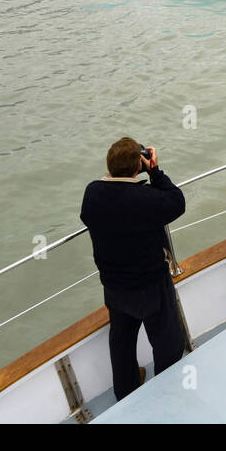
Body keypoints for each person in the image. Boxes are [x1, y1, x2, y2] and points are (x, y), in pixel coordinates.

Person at [80, 136, 187, 401]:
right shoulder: (146, 199)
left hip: (115, 286)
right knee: (168, 343)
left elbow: (89, 214)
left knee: (122, 343)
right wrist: (155, 171)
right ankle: (166, 390)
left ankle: (126, 392)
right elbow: (177, 202)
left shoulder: (92, 194)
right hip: (151, 286)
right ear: (137, 166)